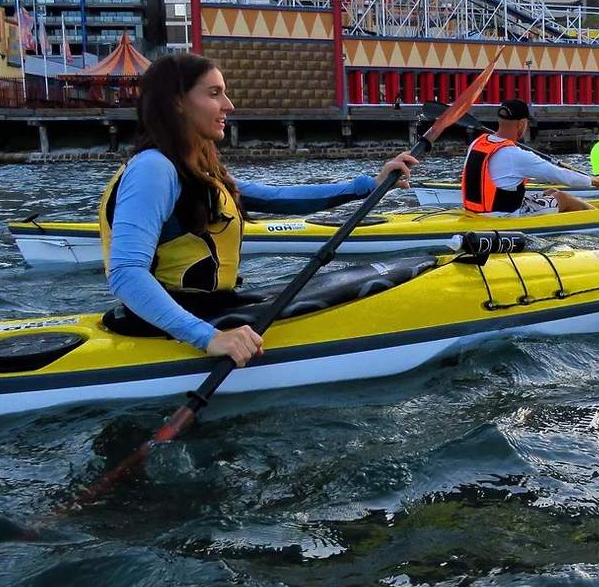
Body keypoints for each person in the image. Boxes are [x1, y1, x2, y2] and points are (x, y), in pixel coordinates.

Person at [99, 54, 418, 368]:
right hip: (171, 323)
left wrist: (370, 185)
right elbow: (126, 274)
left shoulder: (197, 167)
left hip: (212, 307)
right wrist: (209, 338)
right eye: (214, 94)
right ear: (177, 103)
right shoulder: (154, 168)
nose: (229, 105)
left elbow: (278, 197)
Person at [462, 99, 599, 216]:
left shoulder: (478, 142)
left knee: (551, 191)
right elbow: (561, 175)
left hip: (478, 210)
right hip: (504, 215)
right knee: (562, 197)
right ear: (521, 124)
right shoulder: (516, 155)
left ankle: (588, 209)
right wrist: (595, 180)